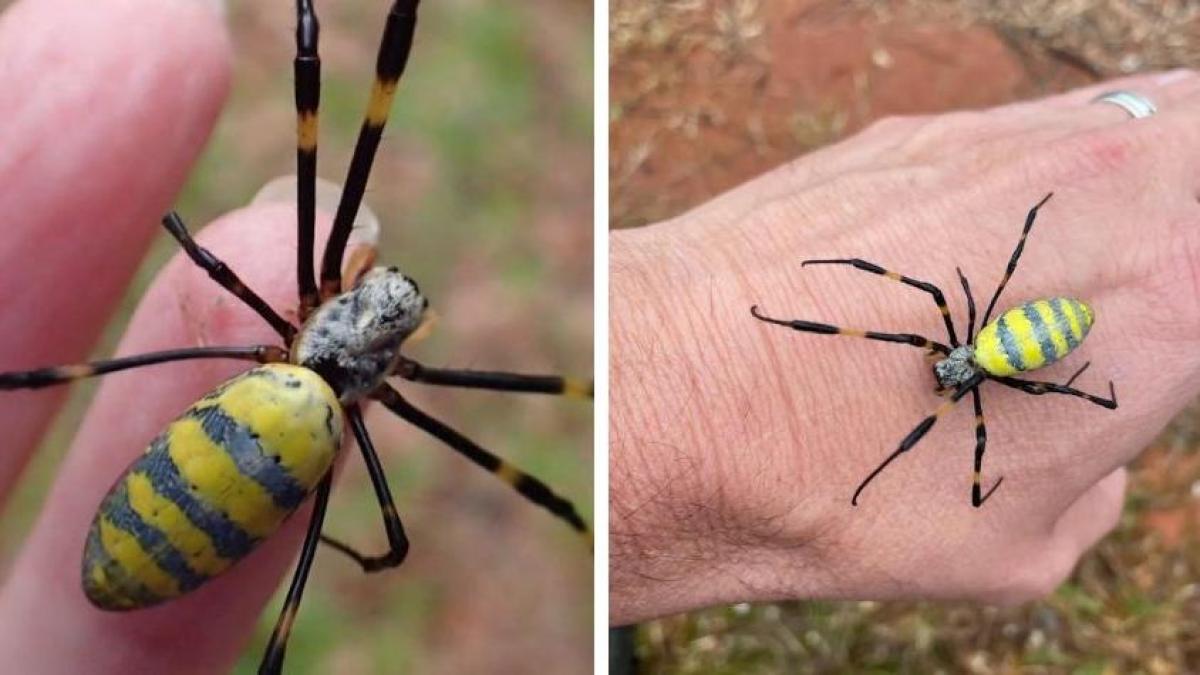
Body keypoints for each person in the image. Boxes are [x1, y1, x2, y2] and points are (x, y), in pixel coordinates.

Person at [610, 69, 1200, 624]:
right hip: (1018, 339)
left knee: (951, 350)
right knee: (958, 339)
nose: (943, 370)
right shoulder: (967, 342)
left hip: (1031, 337)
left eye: (948, 368)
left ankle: (837, 398)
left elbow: (971, 444)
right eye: (949, 367)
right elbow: (964, 419)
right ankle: (796, 327)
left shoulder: (957, 345)